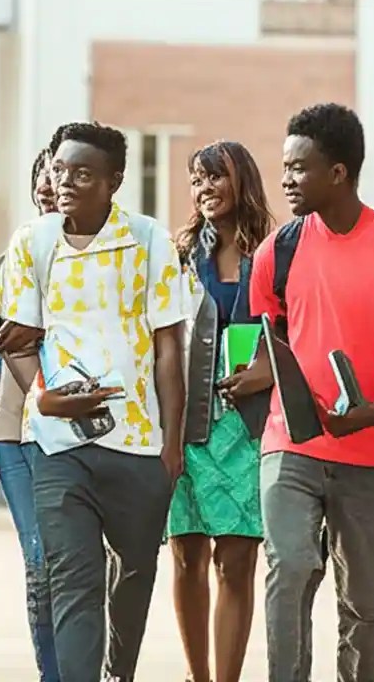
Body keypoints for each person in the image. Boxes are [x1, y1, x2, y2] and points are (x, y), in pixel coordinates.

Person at [250, 103, 374, 682]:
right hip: (292, 442)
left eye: (299, 168)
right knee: (288, 566)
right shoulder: (276, 250)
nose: (285, 179)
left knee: (363, 598)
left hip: (372, 450)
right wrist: (252, 375)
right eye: (284, 167)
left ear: (339, 172)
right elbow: (262, 342)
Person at [0, 122, 187, 682]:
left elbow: (169, 348)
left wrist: (171, 445)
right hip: (57, 446)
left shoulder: (149, 239)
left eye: (82, 173)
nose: (65, 182)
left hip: (138, 443)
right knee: (73, 579)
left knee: (133, 575)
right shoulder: (31, 241)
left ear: (114, 181)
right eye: (59, 170)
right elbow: (17, 338)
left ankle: (118, 673)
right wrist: (42, 395)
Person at [167, 140, 274, 682]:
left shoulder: (277, 253)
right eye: (196, 179)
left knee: (236, 560)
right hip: (188, 419)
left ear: (242, 183)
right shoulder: (181, 253)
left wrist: (268, 370)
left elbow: (296, 328)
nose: (204, 189)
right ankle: (196, 675)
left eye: (215, 177)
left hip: (248, 424)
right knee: (186, 554)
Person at [0, 146, 61, 682]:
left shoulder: (114, 262)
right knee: (40, 564)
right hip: (16, 435)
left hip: (90, 436)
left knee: (82, 567)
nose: (50, 184)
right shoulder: (2, 268)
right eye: (42, 174)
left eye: (61, 173)